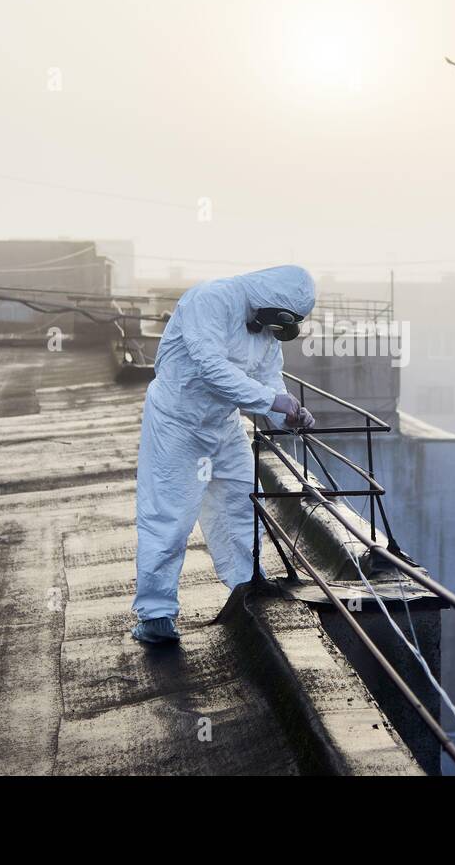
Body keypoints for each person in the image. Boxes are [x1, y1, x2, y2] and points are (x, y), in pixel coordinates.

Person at [130, 265, 316, 644]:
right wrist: (272, 400)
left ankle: (246, 587)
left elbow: (269, 378)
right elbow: (211, 368)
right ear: (268, 304)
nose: (270, 332)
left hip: (223, 423)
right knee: (170, 516)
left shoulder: (267, 328)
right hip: (177, 425)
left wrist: (287, 414)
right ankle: (156, 615)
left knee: (239, 505)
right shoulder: (210, 299)